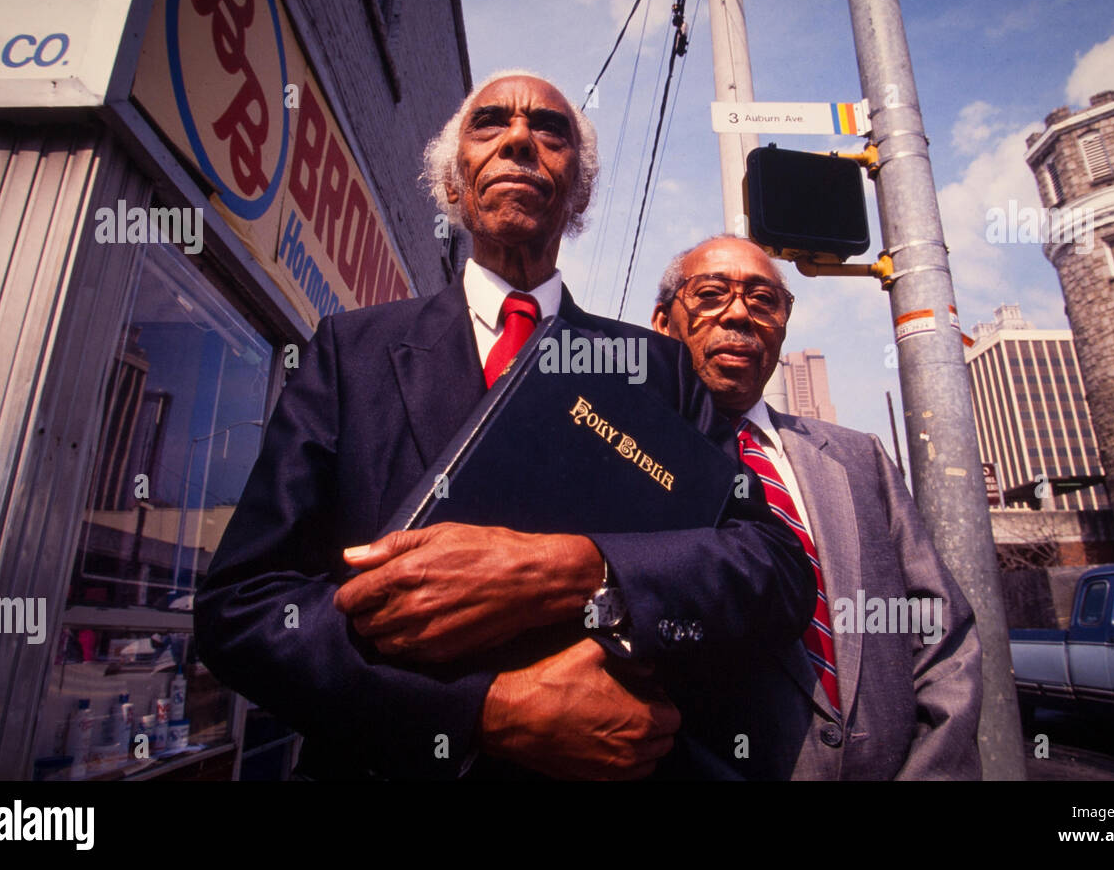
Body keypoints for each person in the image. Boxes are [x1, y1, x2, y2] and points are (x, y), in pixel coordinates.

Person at [193, 72, 814, 780]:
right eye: (490, 123)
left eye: (552, 132)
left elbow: (774, 569)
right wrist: (485, 709)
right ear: (454, 181)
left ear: (578, 193)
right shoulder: (350, 352)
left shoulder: (658, 370)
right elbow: (241, 610)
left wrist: (573, 569)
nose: (520, 138)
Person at [650, 235, 983, 779]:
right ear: (665, 322)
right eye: (711, 294)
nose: (739, 315)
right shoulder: (630, 454)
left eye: (764, 300)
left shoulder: (859, 458)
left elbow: (942, 634)